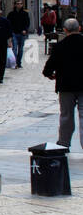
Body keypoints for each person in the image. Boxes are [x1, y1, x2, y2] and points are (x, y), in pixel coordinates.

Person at [43, 18, 83, 152]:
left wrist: (50, 75)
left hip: (65, 86)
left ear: (65, 30)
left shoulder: (60, 46)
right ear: (79, 29)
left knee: (66, 115)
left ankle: (64, 143)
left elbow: (48, 67)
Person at [7, 0, 31, 69]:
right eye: (17, 4)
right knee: (14, 48)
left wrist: (25, 30)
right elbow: (8, 23)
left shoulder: (25, 14)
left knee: (20, 49)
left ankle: (19, 62)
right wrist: (10, 32)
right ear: (15, 5)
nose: (19, 5)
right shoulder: (11, 14)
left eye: (20, 4)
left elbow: (27, 23)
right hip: (14, 33)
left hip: (22, 33)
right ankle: (14, 63)